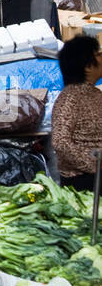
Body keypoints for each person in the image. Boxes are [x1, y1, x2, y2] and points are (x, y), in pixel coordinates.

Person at [52, 36, 102, 191]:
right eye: (98, 54)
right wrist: (93, 165)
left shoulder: (94, 94)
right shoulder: (70, 98)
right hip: (83, 182)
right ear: (87, 66)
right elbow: (60, 141)